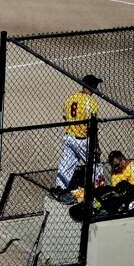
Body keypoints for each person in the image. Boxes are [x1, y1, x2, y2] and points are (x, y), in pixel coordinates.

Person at [53, 74, 103, 202]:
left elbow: (65, 116)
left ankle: (59, 189)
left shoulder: (71, 98)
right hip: (82, 140)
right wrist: (96, 146)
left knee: (66, 165)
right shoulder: (91, 102)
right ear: (92, 86)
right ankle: (100, 190)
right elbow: (93, 127)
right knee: (95, 163)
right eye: (96, 85)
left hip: (69, 137)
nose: (97, 88)